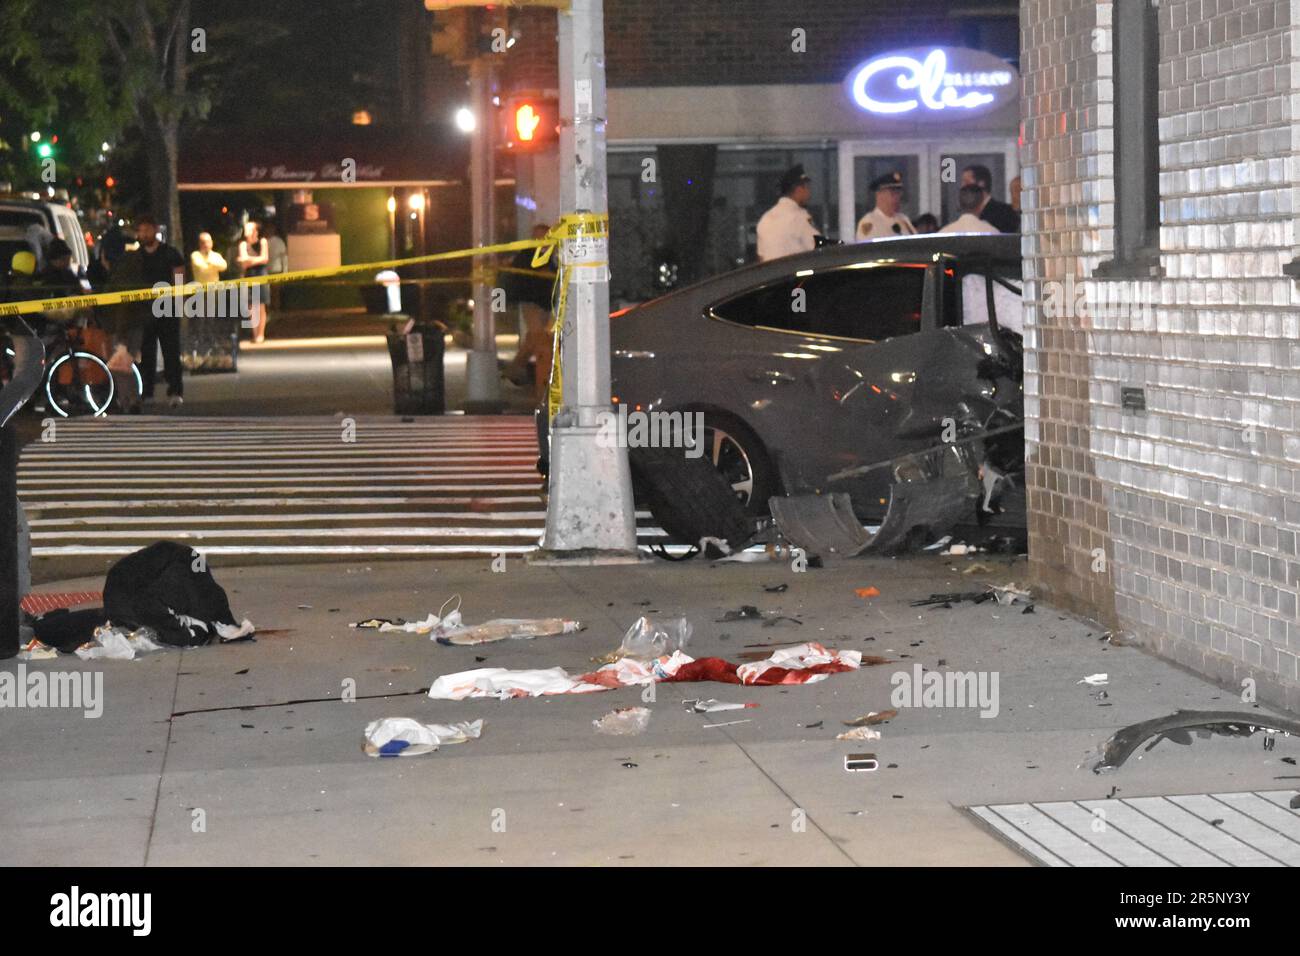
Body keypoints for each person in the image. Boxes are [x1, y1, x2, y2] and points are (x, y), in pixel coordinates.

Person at [131, 215, 186, 407]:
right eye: (141, 230)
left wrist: (179, 301)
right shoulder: (136, 256)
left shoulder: (170, 253)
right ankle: (147, 392)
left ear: (155, 230)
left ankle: (175, 390)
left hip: (168, 308)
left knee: (171, 350)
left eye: (147, 230)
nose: (143, 234)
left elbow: (179, 277)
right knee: (147, 352)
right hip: (145, 311)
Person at [500, 223, 557, 402]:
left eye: (544, 237)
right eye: (538, 237)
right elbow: (523, 278)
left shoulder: (550, 257)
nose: (541, 240)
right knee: (539, 338)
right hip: (531, 302)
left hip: (544, 303)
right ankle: (540, 385)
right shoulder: (526, 256)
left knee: (534, 339)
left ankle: (513, 372)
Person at [756, 164, 821, 261]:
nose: (809, 194)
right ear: (799, 190)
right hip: (794, 274)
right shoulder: (799, 217)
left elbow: (761, 257)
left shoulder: (765, 218)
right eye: (807, 188)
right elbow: (819, 249)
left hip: (773, 275)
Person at [960, 164, 1020, 233]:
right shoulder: (967, 213)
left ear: (981, 183)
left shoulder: (1005, 212)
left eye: (966, 182)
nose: (962, 186)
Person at [236, 220, 270, 343]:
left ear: (255, 231)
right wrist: (256, 259)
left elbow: (265, 259)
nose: (247, 231)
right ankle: (255, 333)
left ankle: (261, 334)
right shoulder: (243, 245)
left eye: (249, 228)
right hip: (249, 275)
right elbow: (244, 265)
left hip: (261, 274)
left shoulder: (263, 241)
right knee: (251, 306)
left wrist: (249, 259)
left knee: (261, 306)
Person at [856, 172, 916, 239]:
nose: (897, 198)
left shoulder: (904, 220)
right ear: (879, 195)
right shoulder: (869, 222)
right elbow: (868, 248)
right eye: (892, 194)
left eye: (899, 193)